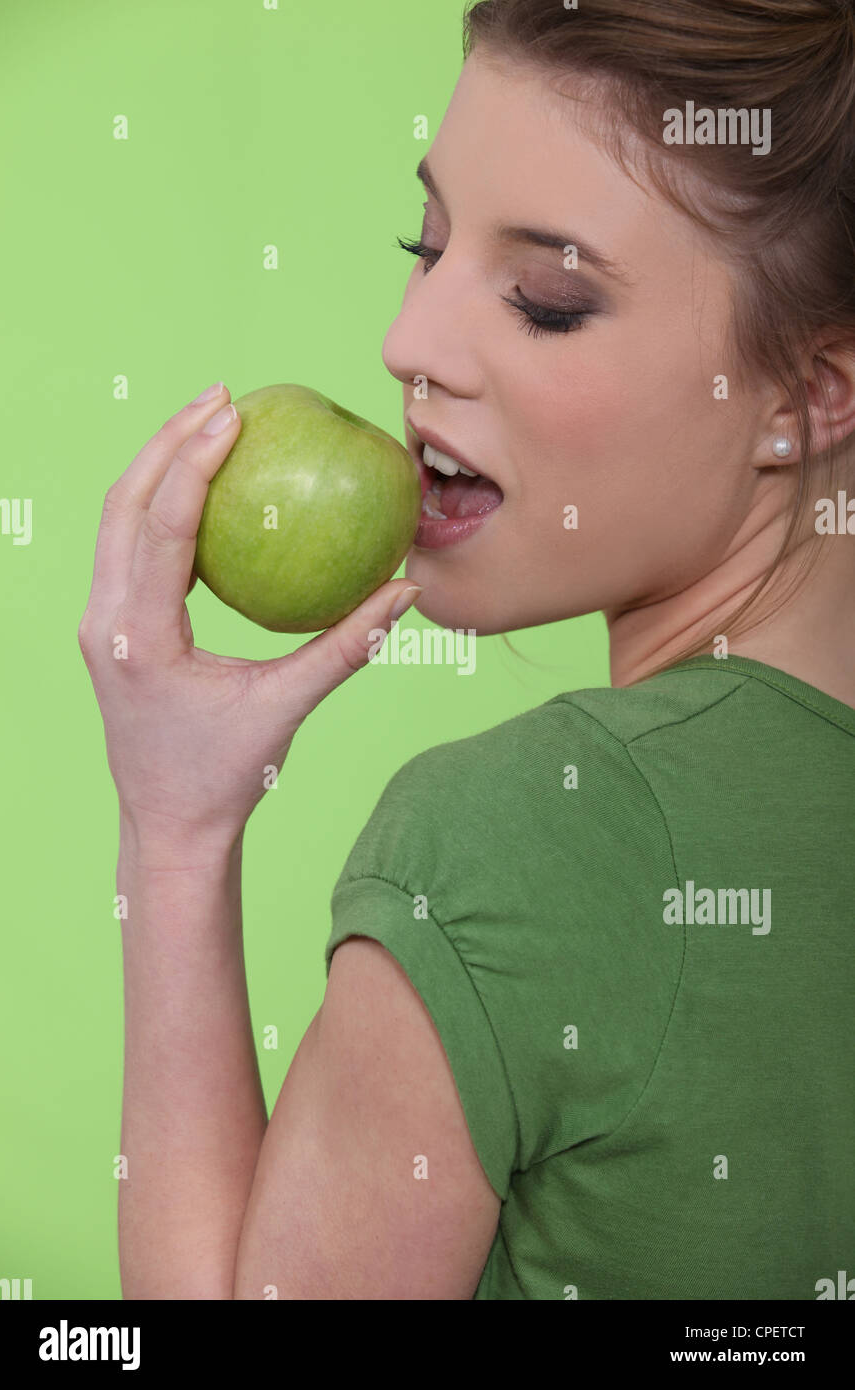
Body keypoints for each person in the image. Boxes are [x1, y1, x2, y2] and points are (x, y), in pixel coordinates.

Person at [79, 0, 855, 1299]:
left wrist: (174, 827)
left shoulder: (523, 835)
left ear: (807, 394)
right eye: (423, 244)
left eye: (545, 299)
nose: (407, 344)